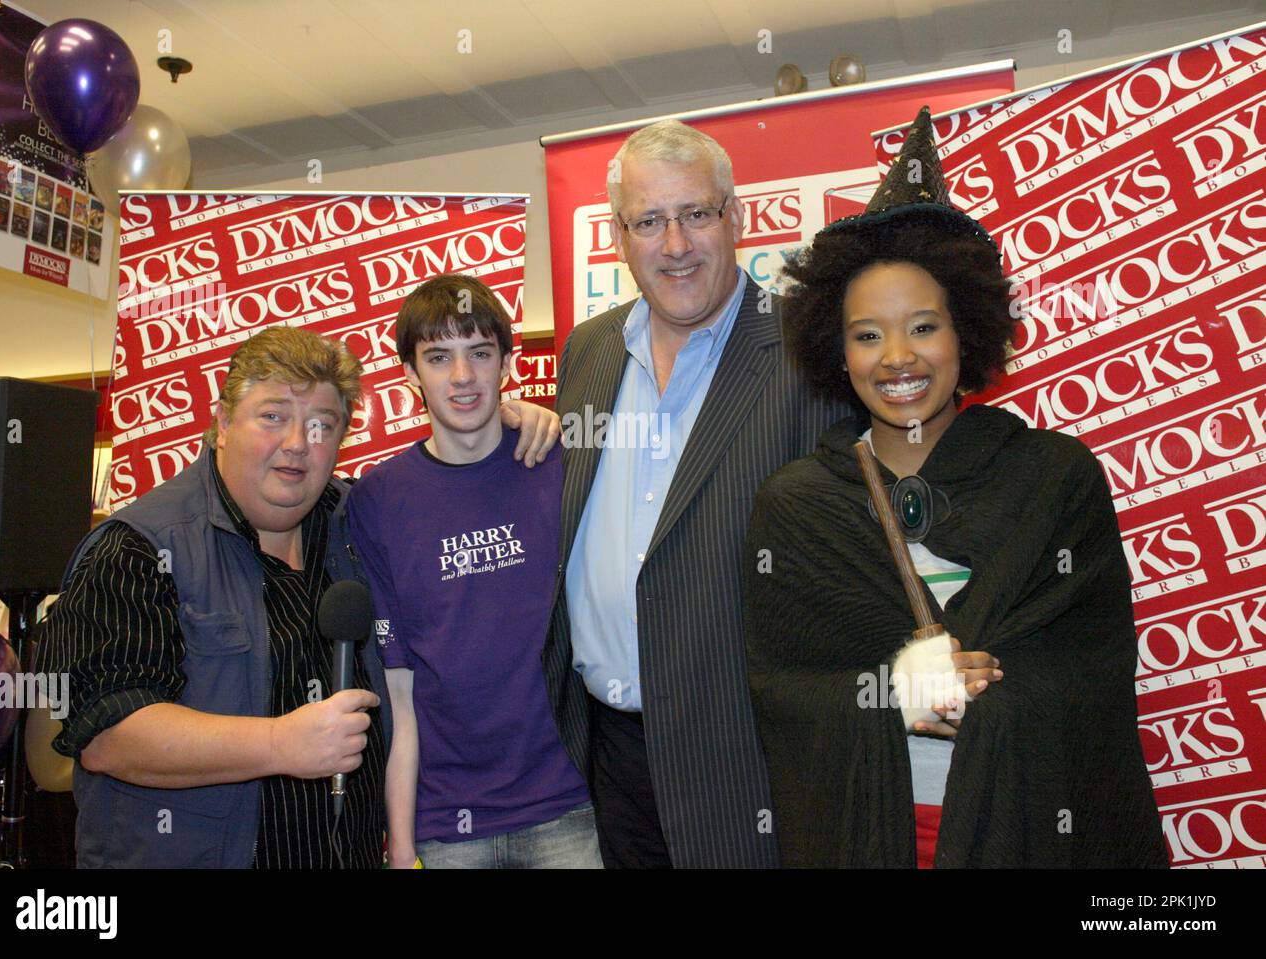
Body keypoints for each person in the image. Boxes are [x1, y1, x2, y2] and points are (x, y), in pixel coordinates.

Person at [742, 107, 1168, 868]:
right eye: (867, 333)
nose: (896, 356)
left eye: (924, 326)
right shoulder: (797, 504)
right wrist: (894, 693)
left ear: (965, 332)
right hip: (870, 831)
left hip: (1029, 827)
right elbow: (783, 689)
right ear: (836, 352)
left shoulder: (1054, 479)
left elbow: (1092, 676)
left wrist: (991, 690)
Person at [40, 326, 561, 868]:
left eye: (321, 426)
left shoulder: (356, 520)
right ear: (222, 424)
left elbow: (446, 498)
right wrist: (280, 744)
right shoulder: (138, 548)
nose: (296, 443)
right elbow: (107, 734)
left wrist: (498, 423)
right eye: (272, 417)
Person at [546, 119, 847, 868]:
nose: (675, 244)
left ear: (736, 217)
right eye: (649, 220)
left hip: (743, 755)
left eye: (696, 214)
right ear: (620, 236)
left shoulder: (809, 352)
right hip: (603, 753)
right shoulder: (587, 350)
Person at [349, 274, 600, 869]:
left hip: (569, 806)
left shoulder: (559, 465)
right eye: (439, 357)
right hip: (444, 826)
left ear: (507, 364)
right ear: (410, 374)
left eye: (479, 354)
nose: (462, 377)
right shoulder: (377, 502)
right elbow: (399, 694)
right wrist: (402, 843)